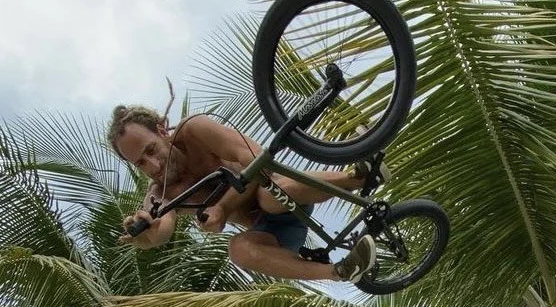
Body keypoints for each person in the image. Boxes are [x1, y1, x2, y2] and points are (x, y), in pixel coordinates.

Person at [106, 105, 383, 282]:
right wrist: (149, 236)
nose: (153, 166)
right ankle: (340, 272)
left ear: (162, 131)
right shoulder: (160, 195)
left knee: (269, 195)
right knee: (237, 249)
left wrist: (223, 209)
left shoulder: (195, 131)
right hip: (271, 234)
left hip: (286, 194)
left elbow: (256, 159)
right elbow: (160, 228)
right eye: (140, 163)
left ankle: (359, 177)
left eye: (151, 150)